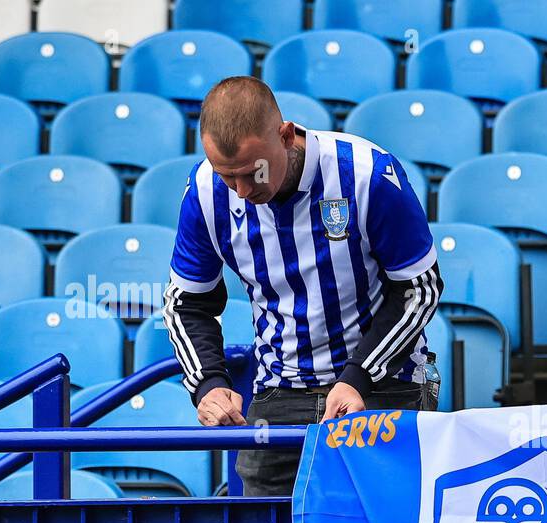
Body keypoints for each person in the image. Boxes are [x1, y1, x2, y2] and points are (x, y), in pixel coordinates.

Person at [163, 76, 443, 498]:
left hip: (384, 384)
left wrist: (359, 377)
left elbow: (419, 289)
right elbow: (186, 303)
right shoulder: (204, 191)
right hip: (279, 391)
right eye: (227, 177)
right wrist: (208, 383)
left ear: (286, 135)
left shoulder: (366, 173)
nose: (241, 190)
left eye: (251, 172)